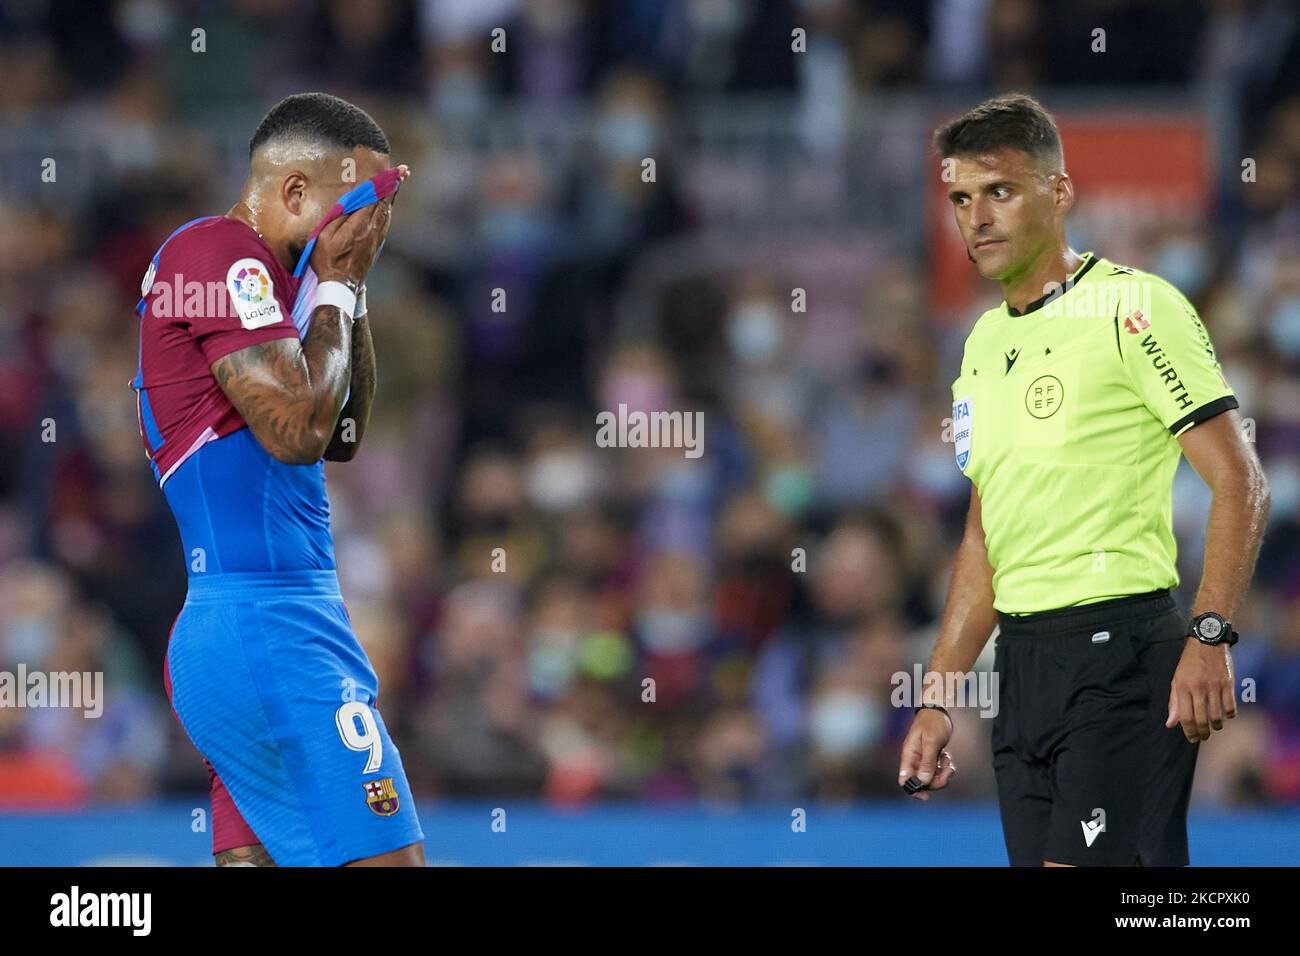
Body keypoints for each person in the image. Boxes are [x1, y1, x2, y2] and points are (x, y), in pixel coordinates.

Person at [897, 93, 1270, 866]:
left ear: (1058, 193)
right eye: (961, 199)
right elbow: (984, 534)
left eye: (999, 191)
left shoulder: (1135, 308)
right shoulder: (980, 345)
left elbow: (1241, 481)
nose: (978, 217)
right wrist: (939, 694)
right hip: (1025, 671)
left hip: (1122, 654)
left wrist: (1209, 634)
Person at [134, 92, 423, 866]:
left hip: (258, 629)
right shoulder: (216, 254)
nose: (370, 227)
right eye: (360, 201)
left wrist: (344, 288)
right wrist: (332, 287)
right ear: (296, 192)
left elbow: (344, 433)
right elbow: (298, 431)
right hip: (269, 627)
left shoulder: (274, 277)